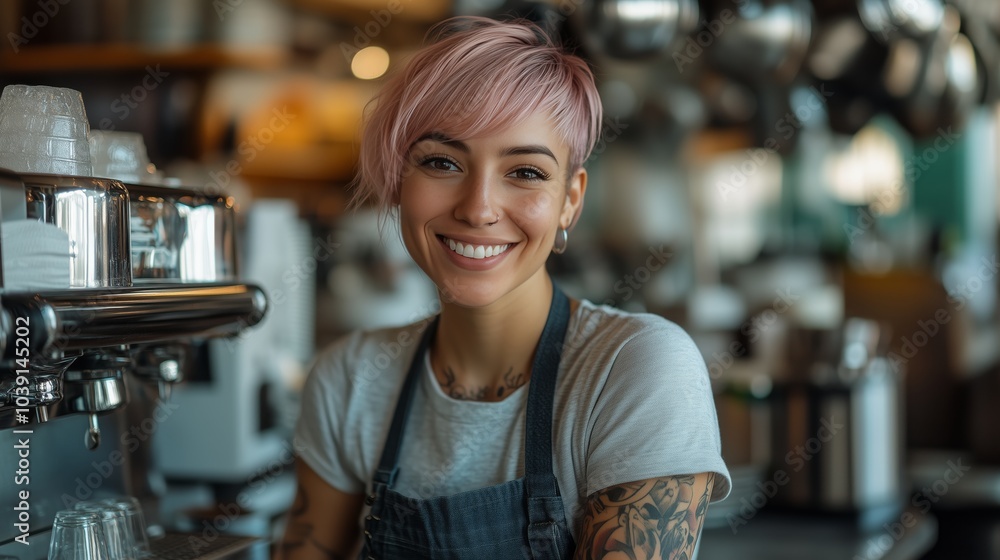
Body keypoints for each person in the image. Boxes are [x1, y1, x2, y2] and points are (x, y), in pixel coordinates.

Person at [277, 15, 731, 560]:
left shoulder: (638, 371)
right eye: (442, 162)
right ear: (400, 182)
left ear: (571, 199)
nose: (478, 208)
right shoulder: (350, 380)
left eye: (526, 172)